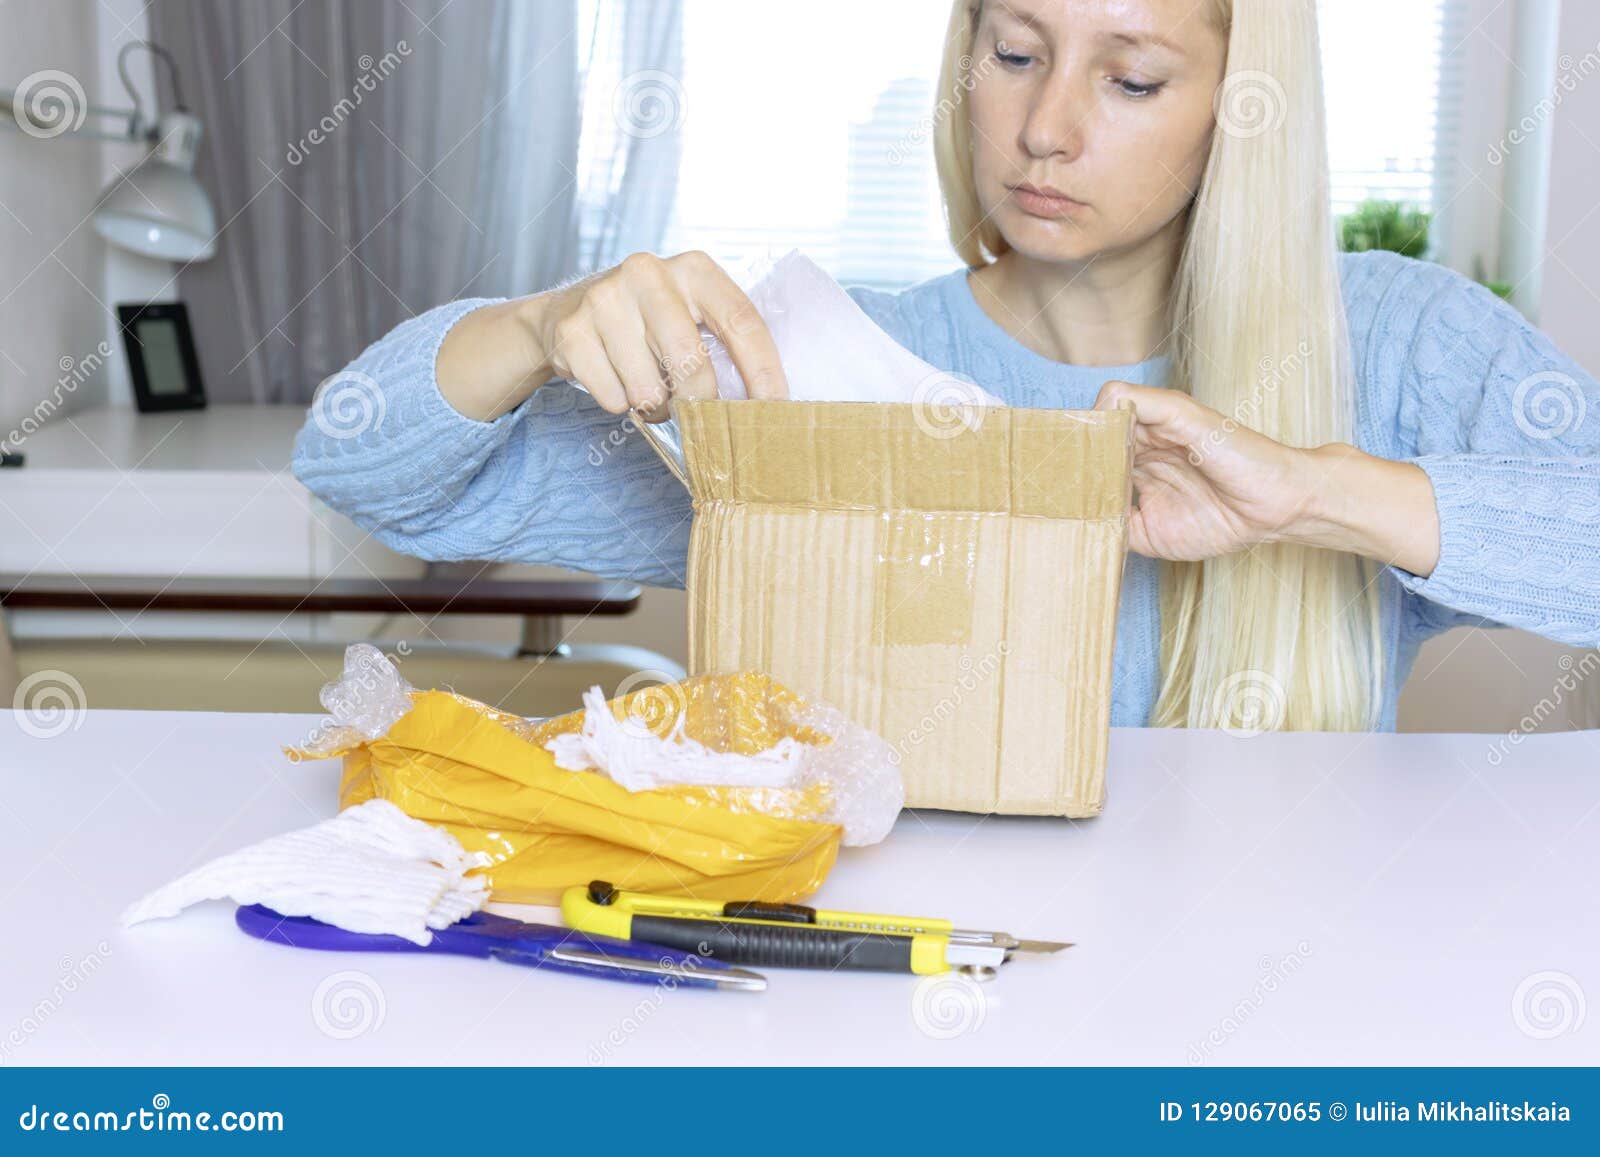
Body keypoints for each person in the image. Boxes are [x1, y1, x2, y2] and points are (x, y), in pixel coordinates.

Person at [292, 0, 1599, 732]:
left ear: (1242, 114)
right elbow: (361, 466)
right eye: (1014, 54)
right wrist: (535, 326)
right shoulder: (822, 370)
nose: (1045, 127)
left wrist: (1318, 494)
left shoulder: (1396, 342)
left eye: (1133, 81)